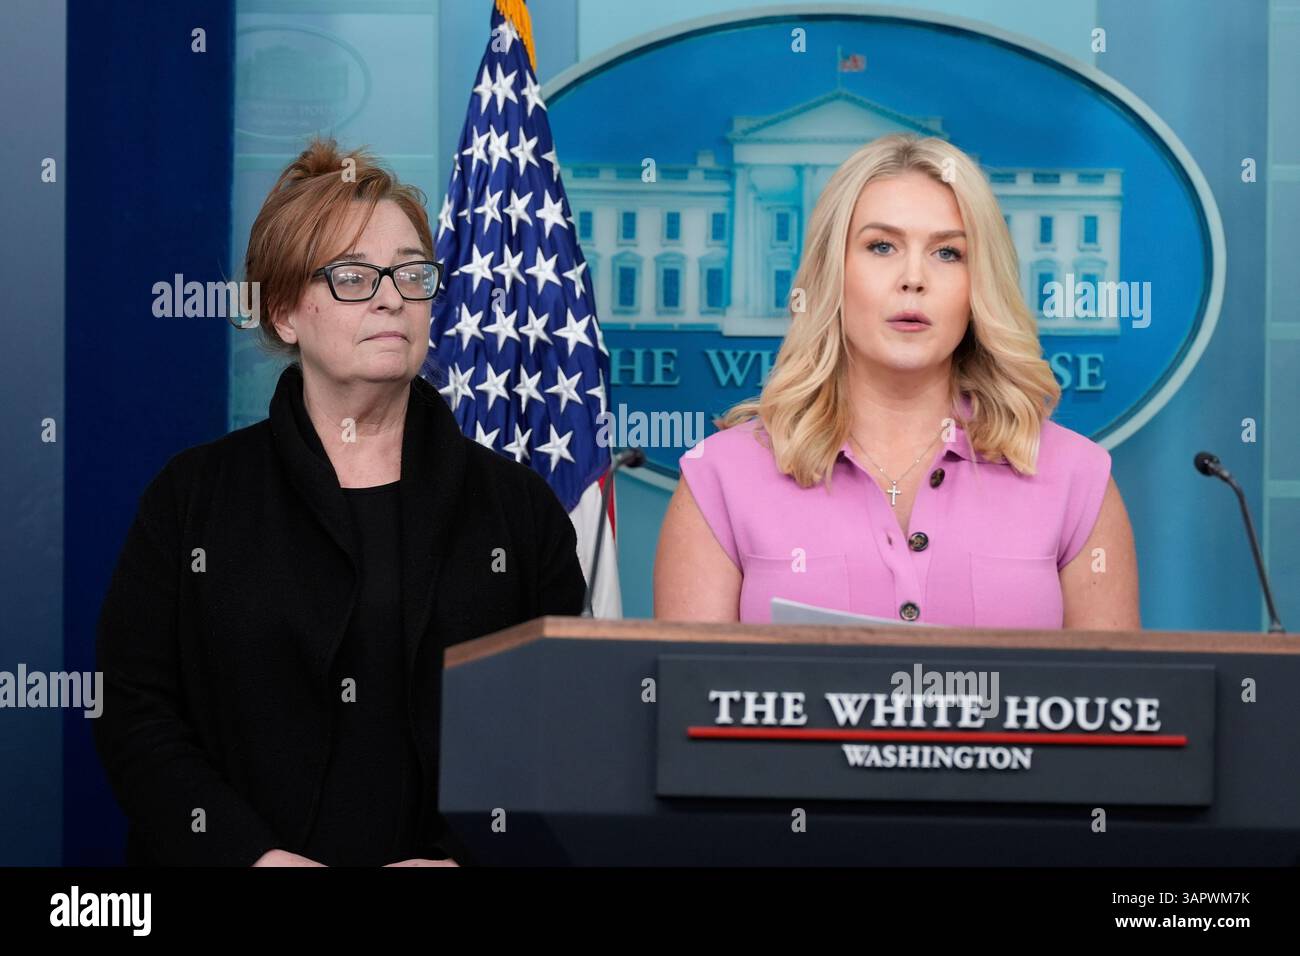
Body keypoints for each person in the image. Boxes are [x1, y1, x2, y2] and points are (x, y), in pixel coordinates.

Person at [93, 139, 587, 866]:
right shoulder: (192, 499)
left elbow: (560, 723)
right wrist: (252, 858)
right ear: (286, 311)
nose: (392, 297)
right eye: (354, 276)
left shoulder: (518, 508)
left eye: (413, 274)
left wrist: (464, 858)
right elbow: (135, 711)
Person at [654, 134, 1139, 630]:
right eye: (881, 246)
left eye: (948, 253)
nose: (913, 278)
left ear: (980, 285)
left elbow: (1112, 702)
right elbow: (691, 699)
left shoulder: (1077, 480)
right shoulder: (720, 478)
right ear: (831, 273)